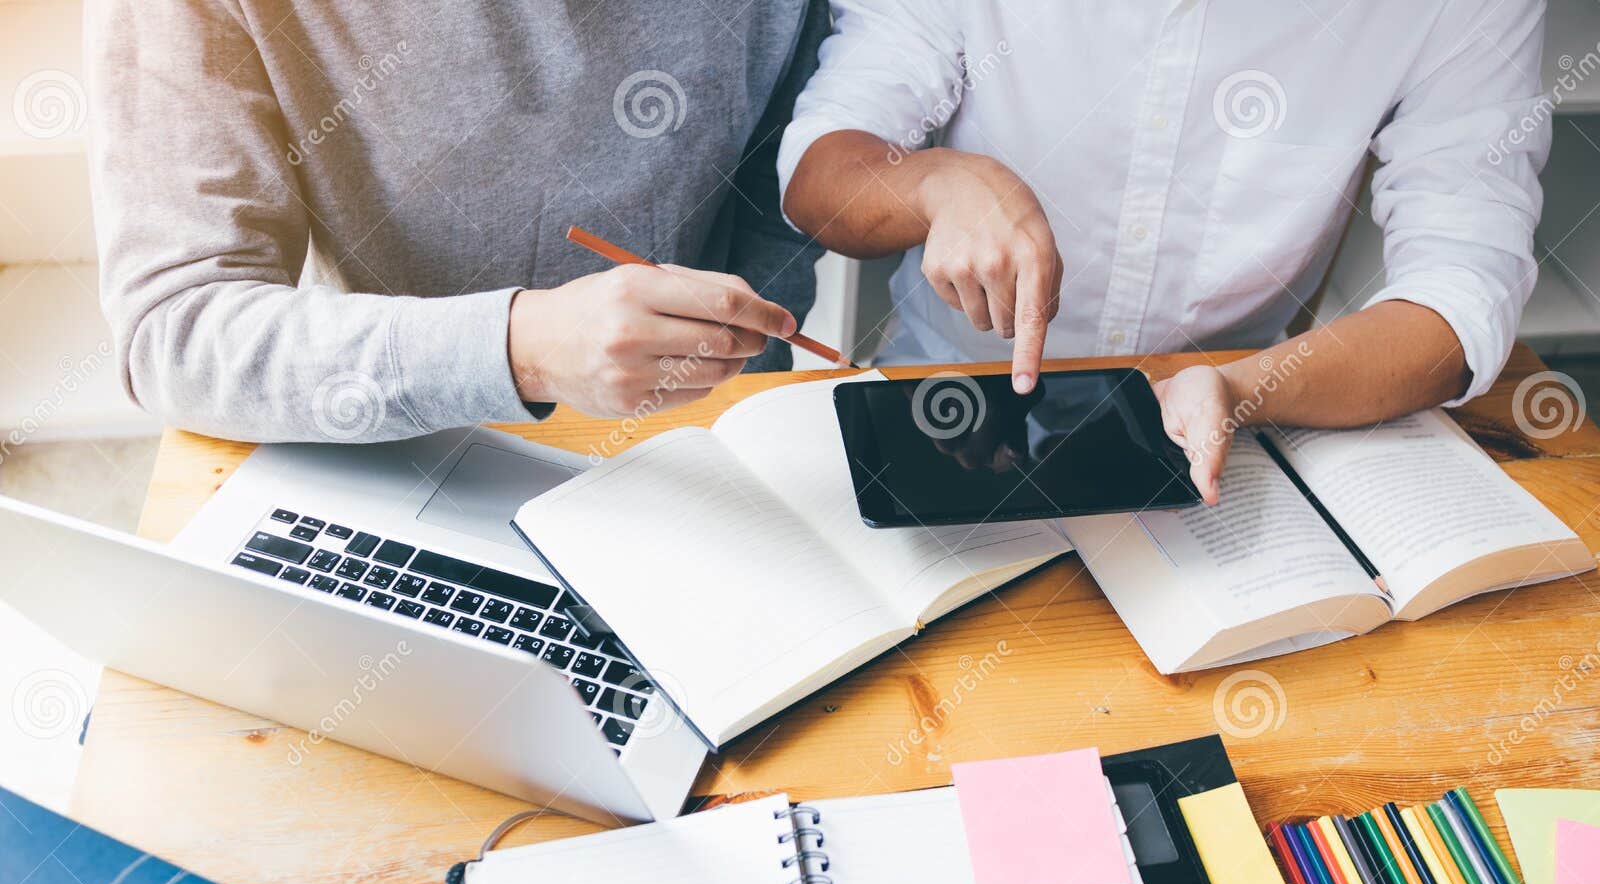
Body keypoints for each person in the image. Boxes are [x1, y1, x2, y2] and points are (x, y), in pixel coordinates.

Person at [779, 1, 1549, 503]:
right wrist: (933, 183)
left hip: (1231, 449)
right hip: (951, 419)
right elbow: (819, 169)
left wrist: (1240, 385)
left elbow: (1462, 292)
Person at [86, 1, 827, 442]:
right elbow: (172, 331)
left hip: (696, 446)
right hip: (380, 440)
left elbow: (781, 210)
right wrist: (521, 349)